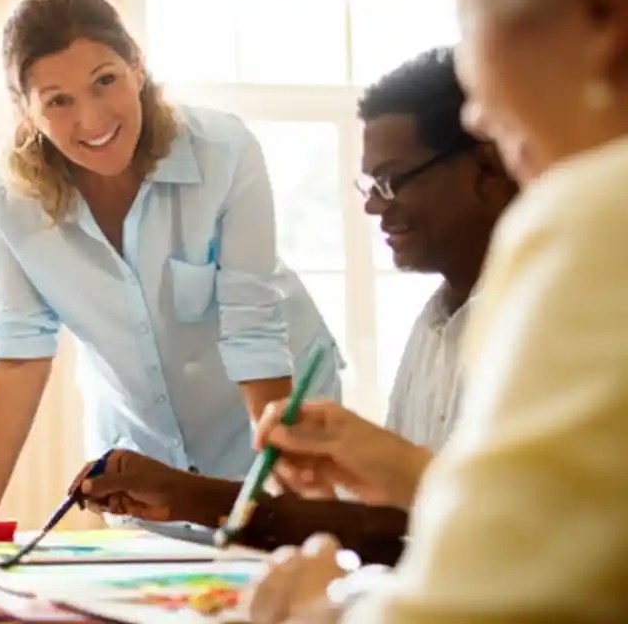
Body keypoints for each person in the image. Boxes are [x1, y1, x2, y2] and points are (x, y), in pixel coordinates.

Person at [248, 0, 628, 621]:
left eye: (472, 15)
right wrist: (407, 471)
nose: (479, 114)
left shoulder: (596, 220)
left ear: (601, 10)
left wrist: (317, 608)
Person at [68, 48, 517, 565]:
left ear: (486, 166)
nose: (372, 205)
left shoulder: (544, 321)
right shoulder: (433, 326)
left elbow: (503, 531)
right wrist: (186, 498)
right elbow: (395, 529)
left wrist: (194, 497)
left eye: (392, 180)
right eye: (369, 186)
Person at [0, 0, 344, 529]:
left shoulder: (223, 150)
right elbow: (21, 349)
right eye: (58, 100)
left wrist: (278, 493)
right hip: (141, 455)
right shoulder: (9, 196)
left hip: (267, 422)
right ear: (24, 109)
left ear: (137, 68)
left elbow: (254, 331)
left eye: (105, 81)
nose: (91, 119)